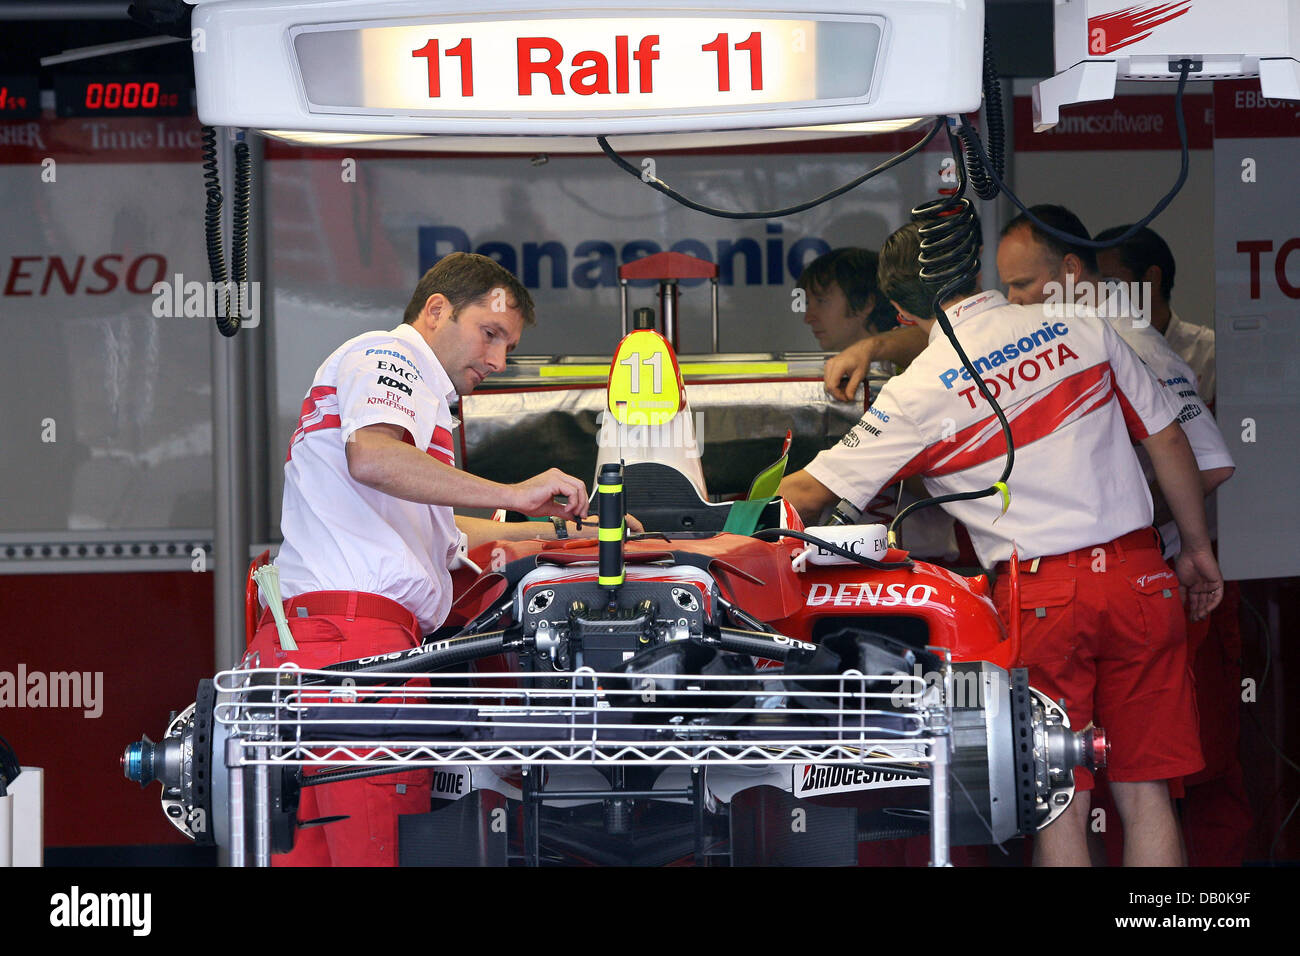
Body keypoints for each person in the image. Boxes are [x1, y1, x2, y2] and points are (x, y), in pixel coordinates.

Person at [778, 221, 1223, 866]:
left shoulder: (915, 392)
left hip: (1041, 597)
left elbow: (811, 495)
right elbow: (1169, 440)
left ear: (899, 306)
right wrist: (1197, 551)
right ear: (976, 269)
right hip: (1139, 575)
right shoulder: (1081, 326)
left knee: (1058, 795)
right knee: (1146, 792)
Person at [246, 252, 596, 867]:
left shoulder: (403, 391)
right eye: (490, 335)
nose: (497, 361)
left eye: (508, 346)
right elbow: (373, 459)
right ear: (436, 310)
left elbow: (438, 520)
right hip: (359, 653)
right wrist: (513, 492)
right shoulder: (391, 356)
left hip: (320, 649)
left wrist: (557, 527)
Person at [1094, 224, 1215, 403]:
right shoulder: (1092, 354)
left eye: (1108, 282)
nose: (1095, 295)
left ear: (1151, 278)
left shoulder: (1210, 354)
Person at [796, 247, 899, 352]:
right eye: (808, 303)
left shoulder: (912, 366)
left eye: (821, 301)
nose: (808, 318)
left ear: (865, 304)